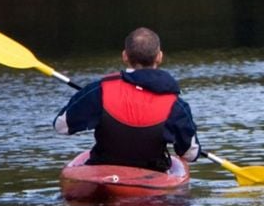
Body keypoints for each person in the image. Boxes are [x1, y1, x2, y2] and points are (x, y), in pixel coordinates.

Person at [54, 27, 201, 171]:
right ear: (159, 57)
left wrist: (85, 100)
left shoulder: (100, 90)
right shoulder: (175, 104)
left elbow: (61, 126)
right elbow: (190, 154)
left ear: (125, 56)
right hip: (152, 174)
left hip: (103, 170)